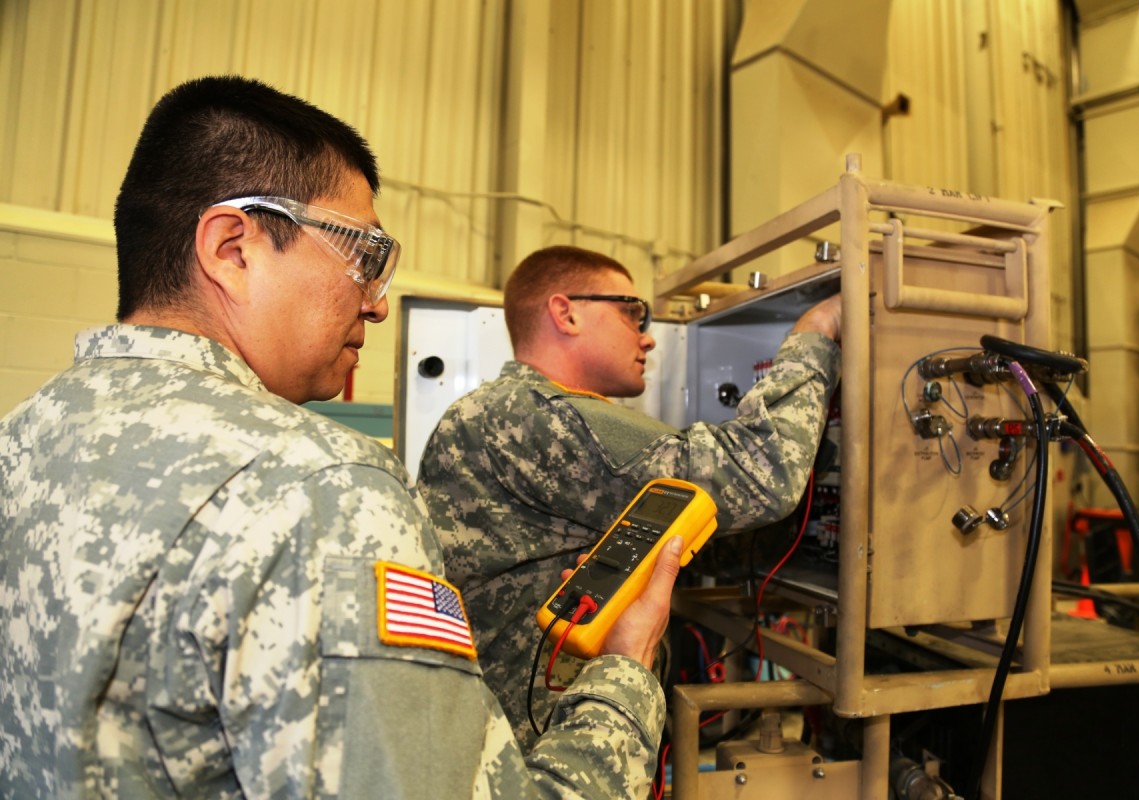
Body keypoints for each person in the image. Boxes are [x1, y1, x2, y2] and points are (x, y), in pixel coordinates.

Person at [0, 76, 681, 799]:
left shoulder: (24, 440)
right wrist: (624, 676)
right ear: (233, 246)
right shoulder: (324, 488)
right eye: (364, 255)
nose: (379, 302)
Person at [417, 244, 842, 749]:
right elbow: (764, 474)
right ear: (566, 312)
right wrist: (815, 332)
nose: (647, 338)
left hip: (499, 736)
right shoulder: (542, 416)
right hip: (536, 752)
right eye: (632, 312)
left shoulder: (499, 412)